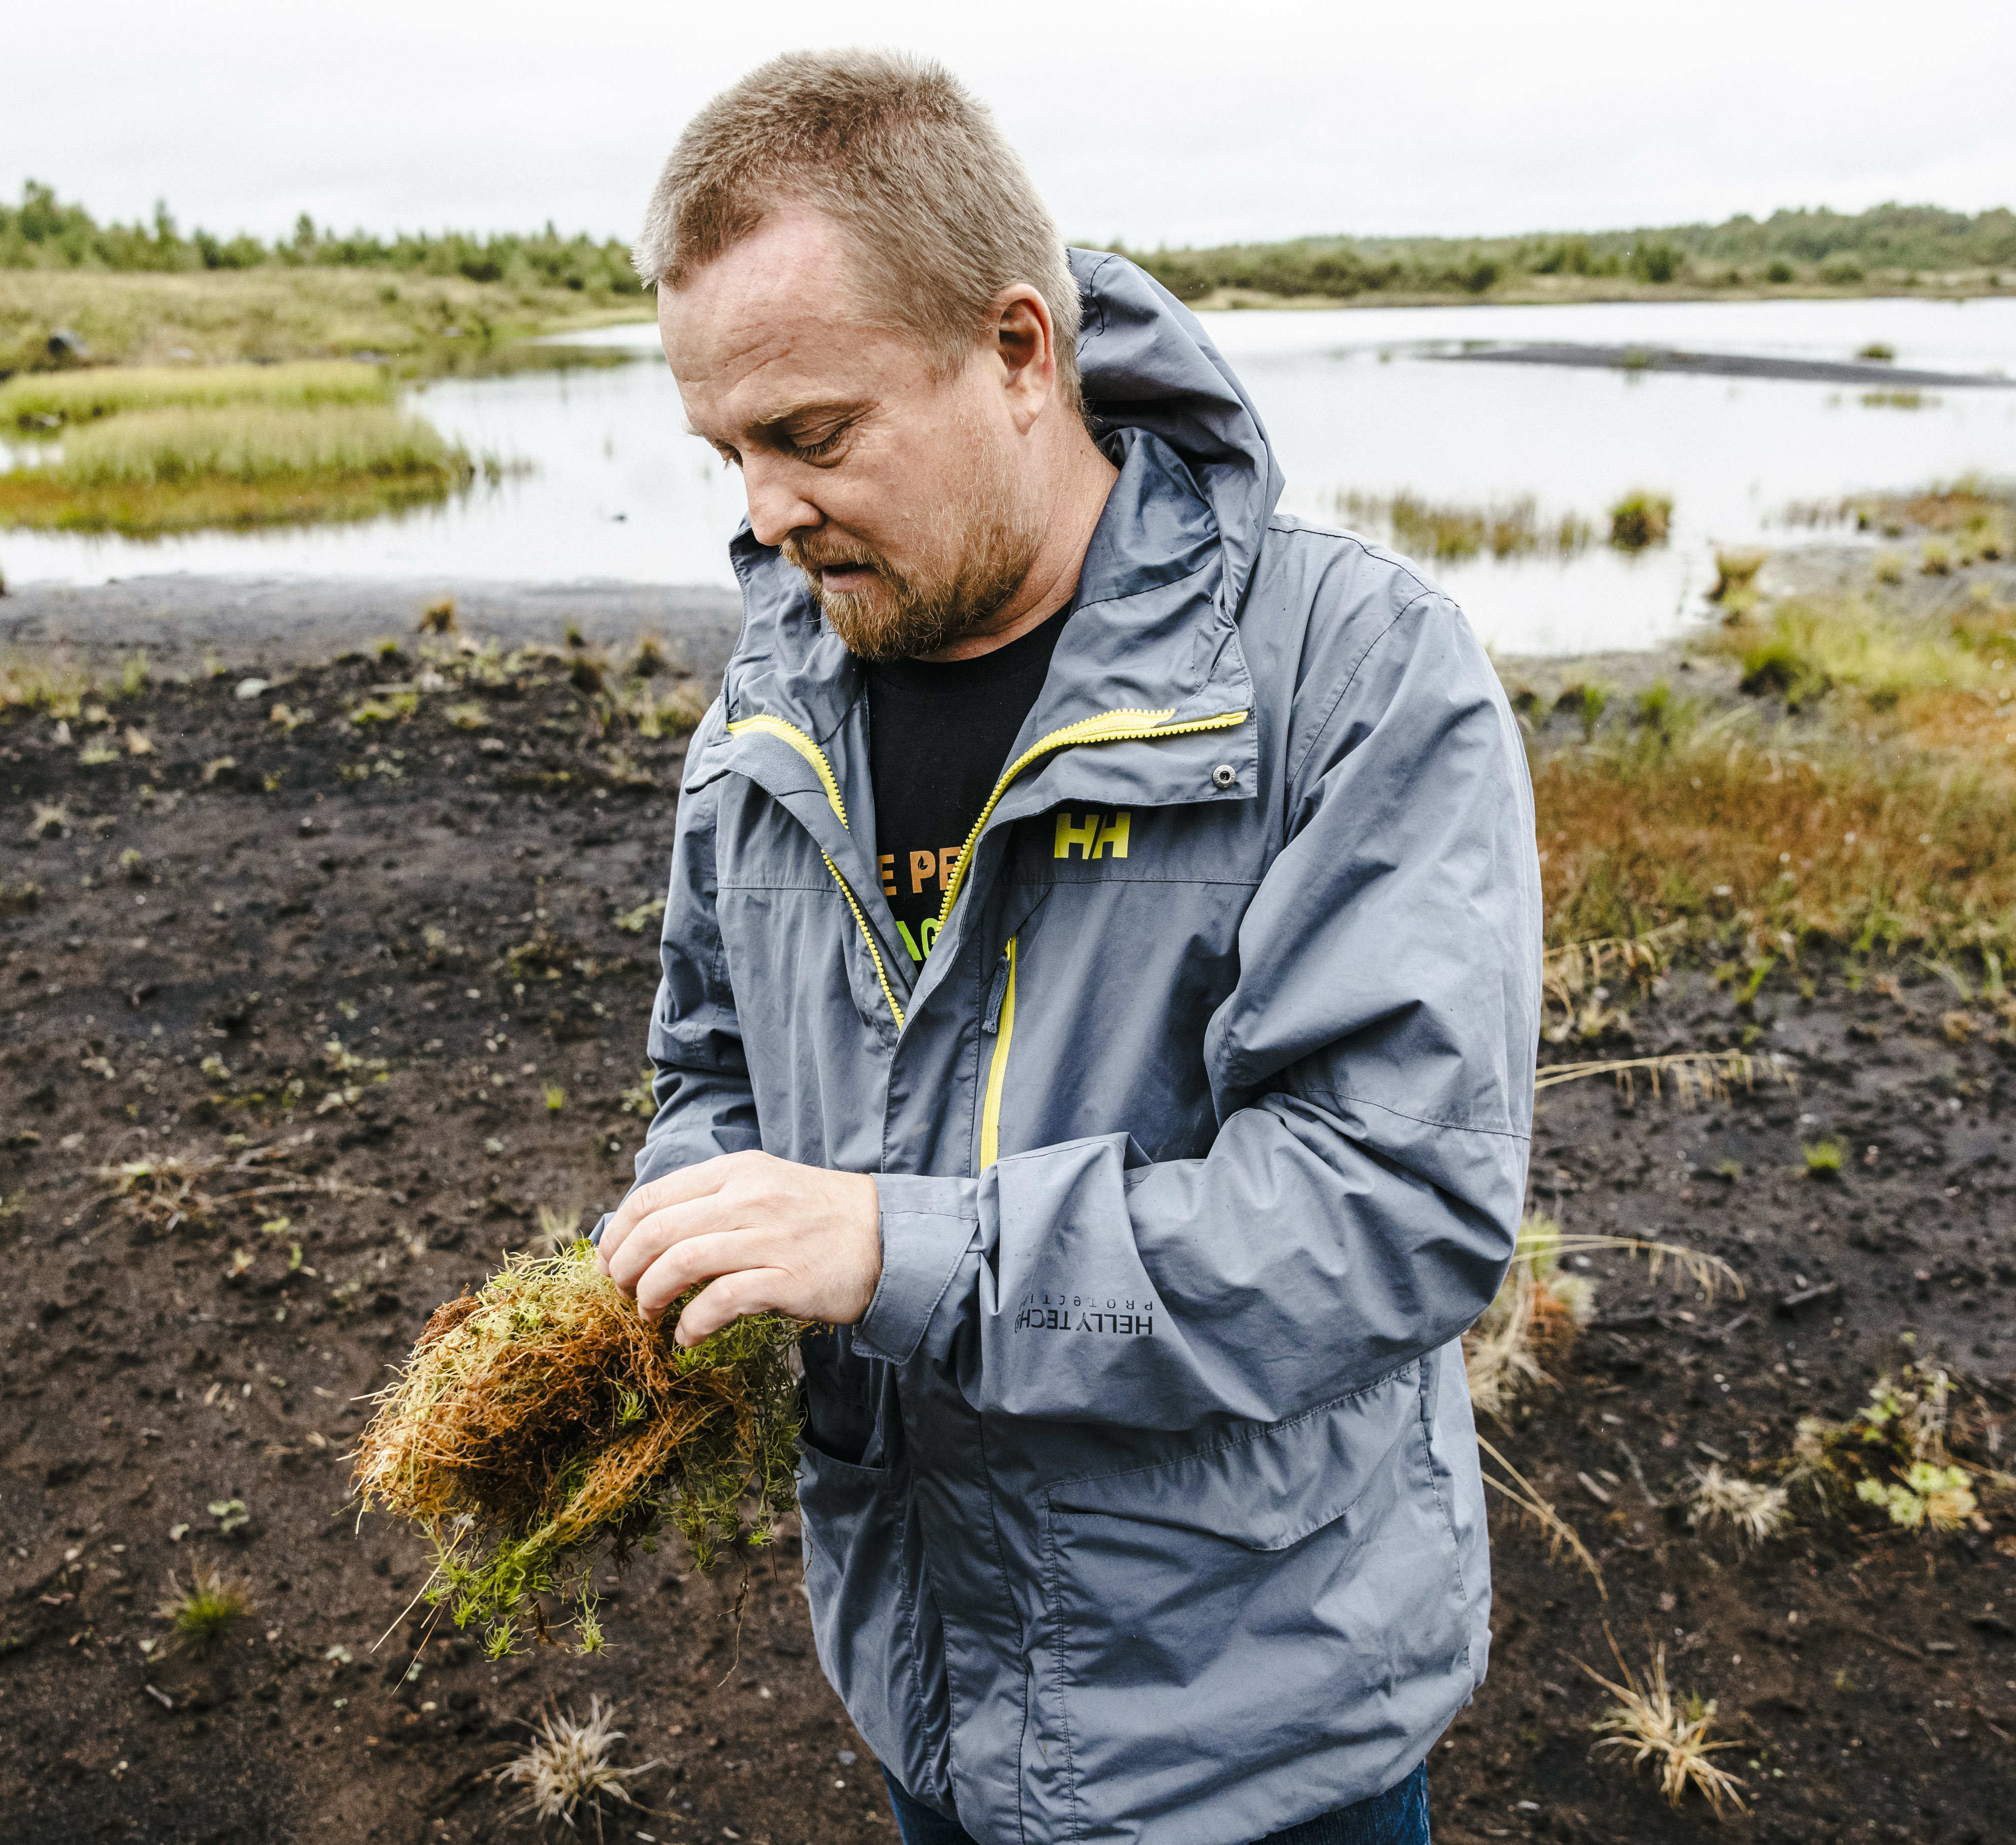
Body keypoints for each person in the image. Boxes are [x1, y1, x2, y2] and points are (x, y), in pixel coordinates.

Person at [595, 50, 1539, 1845]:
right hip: (923, 1695)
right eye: (726, 452)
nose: (765, 513)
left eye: (811, 434)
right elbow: (709, 1061)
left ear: (1021, 351)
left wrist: (891, 1244)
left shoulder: (1349, 677)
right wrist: (693, 1225)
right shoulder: (775, 698)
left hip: (1252, 1740)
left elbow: (1390, 1209)